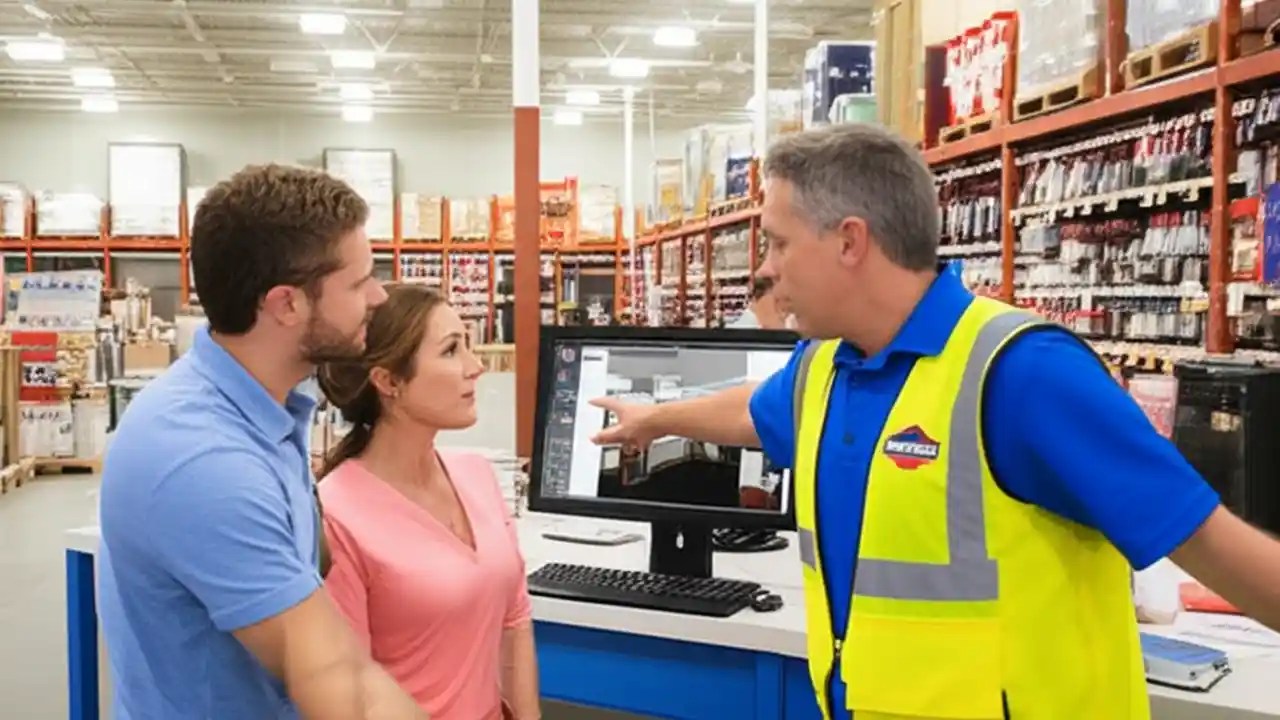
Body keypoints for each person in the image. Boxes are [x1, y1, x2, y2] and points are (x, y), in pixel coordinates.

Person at [591, 124, 1280, 720]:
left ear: (849, 242)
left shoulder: (1022, 375)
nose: (766, 273)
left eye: (776, 244)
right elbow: (753, 409)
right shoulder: (827, 367)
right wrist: (655, 419)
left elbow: (1212, 545)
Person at [98, 164, 426, 719]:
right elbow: (341, 688)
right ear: (286, 304)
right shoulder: (203, 460)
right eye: (359, 281)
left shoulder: (256, 410)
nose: (378, 297)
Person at [316, 283, 540, 720]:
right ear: (388, 381)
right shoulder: (337, 514)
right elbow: (349, 695)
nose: (476, 368)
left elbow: (514, 622)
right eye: (452, 350)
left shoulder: (477, 475)